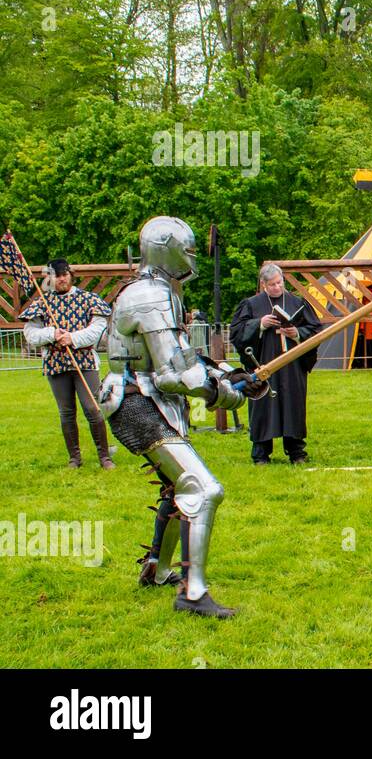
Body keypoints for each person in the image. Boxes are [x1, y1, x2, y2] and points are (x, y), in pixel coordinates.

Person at [99, 217, 253, 618]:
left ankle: (157, 569)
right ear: (166, 249)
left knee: (177, 488)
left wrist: (227, 374)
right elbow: (175, 375)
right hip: (138, 403)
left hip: (145, 398)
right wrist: (227, 396)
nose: (190, 258)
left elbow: (183, 358)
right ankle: (192, 591)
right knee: (203, 490)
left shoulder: (160, 290)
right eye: (185, 251)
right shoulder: (151, 294)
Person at [20, 259, 116, 469]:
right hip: (56, 364)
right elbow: (30, 333)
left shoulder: (88, 299)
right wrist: (51, 334)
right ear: (50, 278)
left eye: (64, 274)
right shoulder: (42, 304)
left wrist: (72, 338)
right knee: (66, 412)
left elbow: (98, 327)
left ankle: (105, 457)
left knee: (92, 408)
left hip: (84, 362)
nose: (61, 279)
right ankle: (74, 458)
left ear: (70, 275)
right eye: (56, 276)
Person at [229, 263, 322, 465]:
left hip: (292, 366)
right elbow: (236, 333)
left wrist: (297, 333)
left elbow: (315, 330)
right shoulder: (251, 305)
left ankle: (297, 452)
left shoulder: (297, 303)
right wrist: (260, 324)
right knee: (263, 405)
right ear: (263, 284)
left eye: (279, 283)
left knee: (293, 404)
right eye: (272, 285)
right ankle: (261, 453)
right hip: (263, 363)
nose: (277, 288)